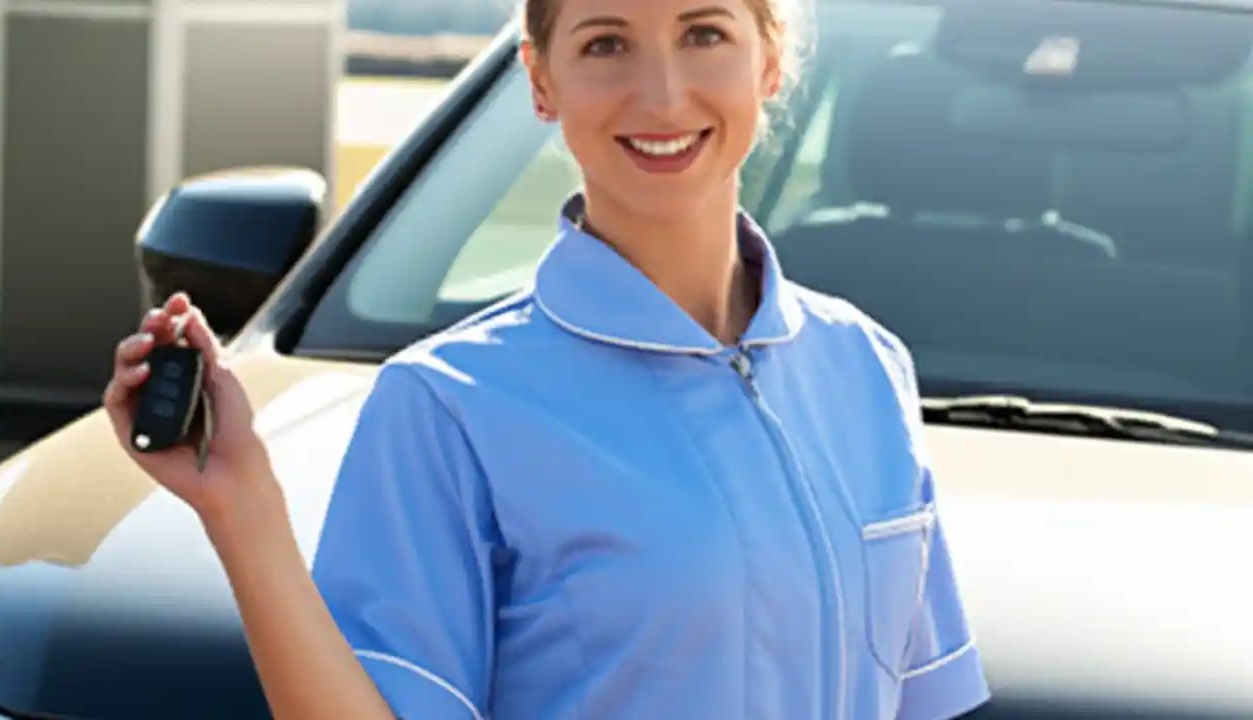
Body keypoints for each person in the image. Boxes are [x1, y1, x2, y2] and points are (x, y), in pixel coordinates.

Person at [105, 0, 992, 717]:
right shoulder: (449, 405)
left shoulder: (867, 369)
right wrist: (243, 512)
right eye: (607, 43)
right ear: (540, 79)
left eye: (705, 33)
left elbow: (927, 701)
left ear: (768, 56)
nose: (663, 95)